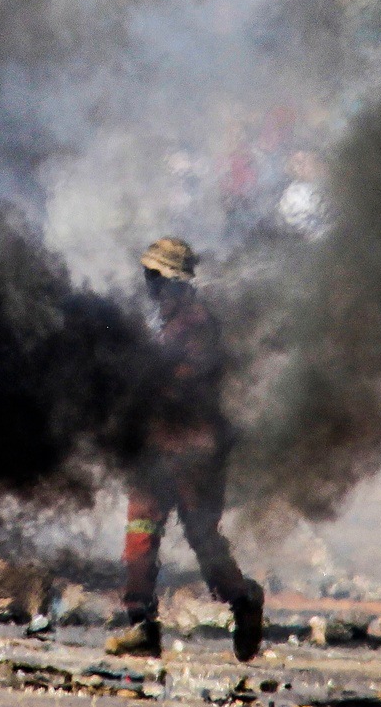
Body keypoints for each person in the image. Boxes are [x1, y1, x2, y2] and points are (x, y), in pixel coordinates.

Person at [105, 237, 264, 662]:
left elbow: (185, 386)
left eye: (156, 278)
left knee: (201, 536)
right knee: (140, 531)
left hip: (193, 451)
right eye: (148, 278)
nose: (150, 287)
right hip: (160, 447)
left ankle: (243, 601)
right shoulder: (171, 325)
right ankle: (140, 625)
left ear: (176, 282)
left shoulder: (195, 326)